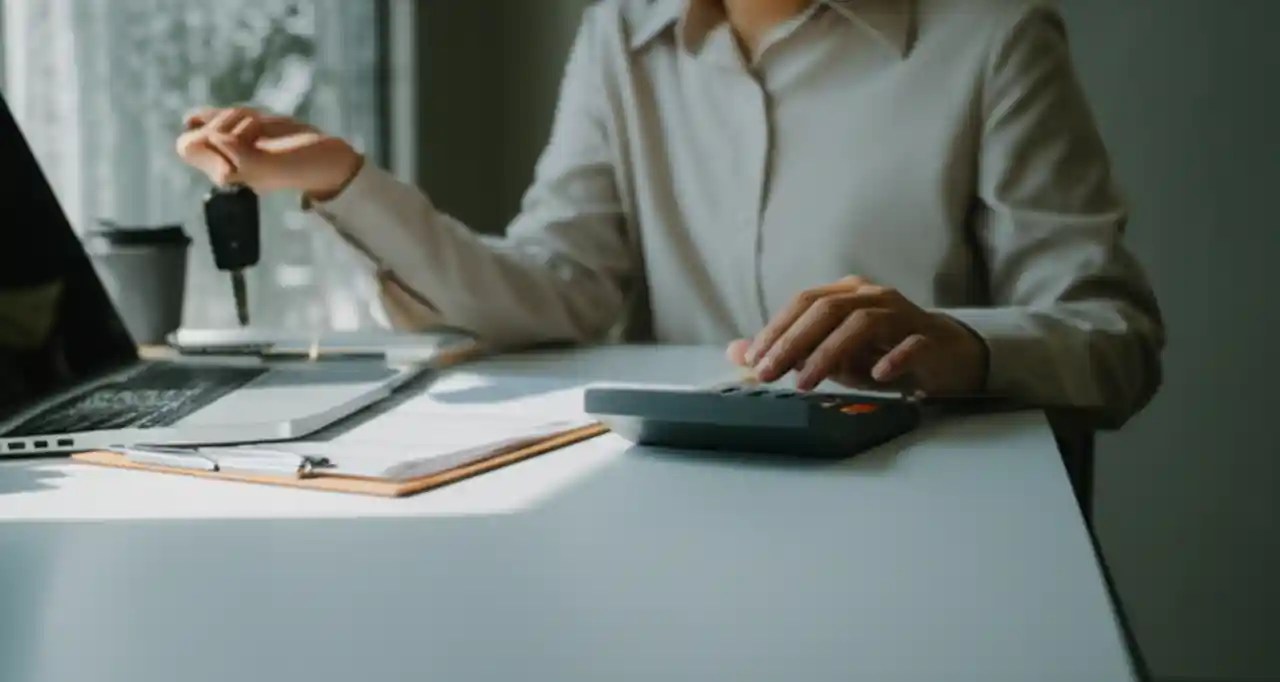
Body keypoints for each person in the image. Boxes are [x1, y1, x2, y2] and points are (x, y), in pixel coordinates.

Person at [176, 0, 1164, 431]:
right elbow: (553, 292)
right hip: (681, 507)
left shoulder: (991, 35)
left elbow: (1113, 341)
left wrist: (958, 345)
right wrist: (345, 182)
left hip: (934, 519)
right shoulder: (618, 34)